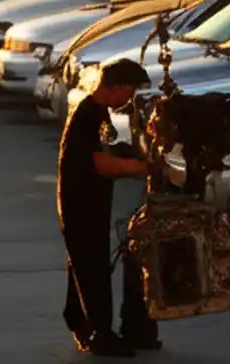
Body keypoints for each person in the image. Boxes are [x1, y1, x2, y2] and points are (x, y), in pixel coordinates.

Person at [57, 58, 159, 358]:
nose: (130, 99)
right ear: (118, 87)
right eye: (130, 91)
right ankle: (100, 334)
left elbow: (106, 151)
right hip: (81, 203)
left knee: (84, 267)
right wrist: (143, 167)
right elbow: (100, 164)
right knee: (93, 269)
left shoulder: (99, 112)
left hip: (91, 202)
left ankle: (81, 323)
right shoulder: (88, 115)